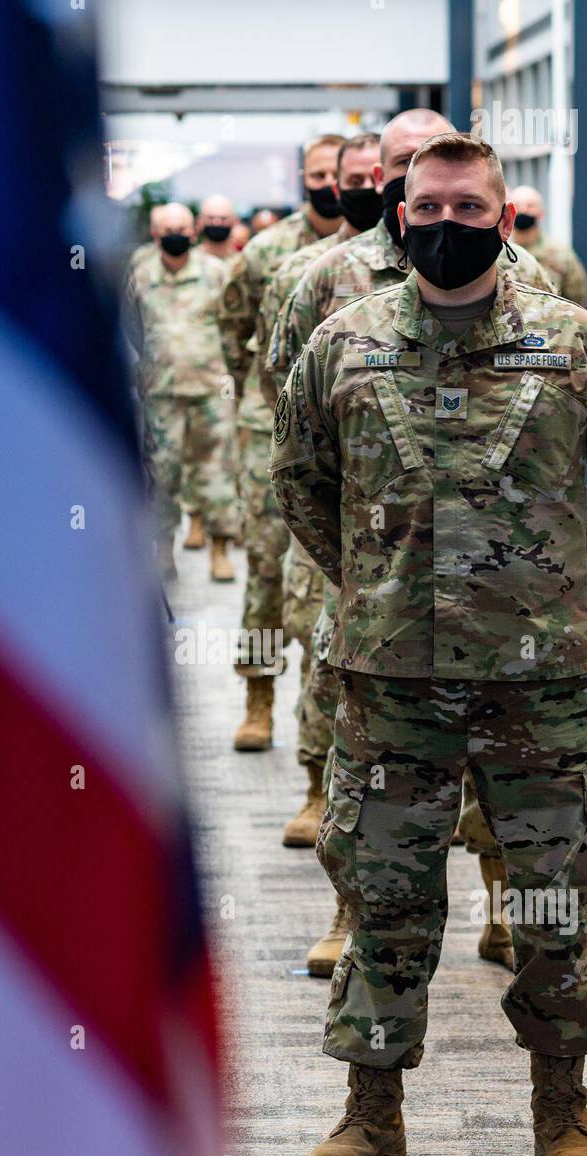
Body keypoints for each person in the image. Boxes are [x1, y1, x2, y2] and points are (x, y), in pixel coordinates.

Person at [271, 132, 587, 1156]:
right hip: (388, 686)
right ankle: (371, 1112)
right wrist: (372, 588)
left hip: (541, 688)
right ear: (399, 217)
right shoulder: (343, 345)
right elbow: (303, 481)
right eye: (428, 207)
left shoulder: (575, 347)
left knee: (552, 895)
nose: (447, 225)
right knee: (384, 895)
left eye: (468, 207)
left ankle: (562, 1108)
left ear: (501, 215)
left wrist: (568, 594)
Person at [267, 110, 555, 977]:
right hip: (373, 570)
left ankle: (504, 900)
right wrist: (355, 564)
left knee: (502, 753)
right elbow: (291, 413)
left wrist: (557, 582)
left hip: (502, 579)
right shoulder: (329, 279)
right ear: (384, 180)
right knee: (369, 757)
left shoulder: (528, 279)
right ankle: (354, 915)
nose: (408, 188)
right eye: (393, 168)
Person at [255, 133, 381, 852]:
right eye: (353, 176)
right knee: (322, 642)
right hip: (349, 517)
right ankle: (317, 785)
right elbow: (283, 385)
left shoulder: (525, 281)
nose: (367, 186)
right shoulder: (311, 273)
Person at [218, 134, 345, 751]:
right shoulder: (269, 253)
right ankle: (259, 694)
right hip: (269, 434)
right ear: (305, 178)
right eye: (317, 173)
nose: (328, 183)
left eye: (337, 173)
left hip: (348, 448)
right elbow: (234, 327)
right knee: (268, 570)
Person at [125, 203, 239, 583]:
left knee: (216, 470)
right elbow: (131, 327)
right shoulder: (141, 277)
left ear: (193, 232)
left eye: (182, 227)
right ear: (156, 235)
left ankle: (220, 549)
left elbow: (235, 324)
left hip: (211, 387)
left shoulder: (216, 273)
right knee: (162, 472)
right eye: (167, 228)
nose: (175, 233)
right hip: (161, 390)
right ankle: (163, 550)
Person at [509, 184, 587, 306]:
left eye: (530, 206)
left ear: (541, 213)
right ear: (509, 213)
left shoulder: (561, 255)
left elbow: (577, 301)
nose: (523, 210)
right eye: (518, 206)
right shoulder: (499, 253)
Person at [197, 195, 237, 261]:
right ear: (200, 221)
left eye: (223, 218)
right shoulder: (186, 260)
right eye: (210, 218)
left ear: (234, 221)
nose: (217, 223)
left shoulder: (242, 262)